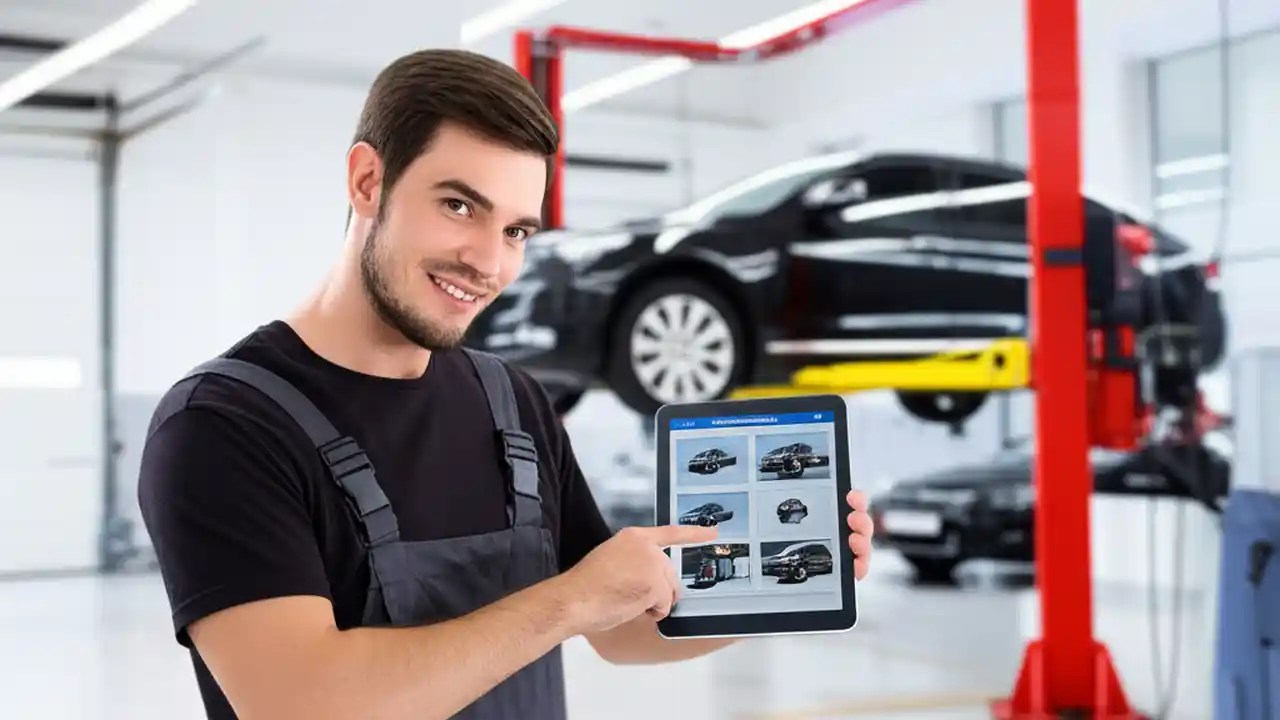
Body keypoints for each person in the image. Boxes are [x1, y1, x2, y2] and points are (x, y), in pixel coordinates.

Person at [137, 48, 875, 720]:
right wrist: (569, 600)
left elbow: (620, 633)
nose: (489, 262)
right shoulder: (223, 426)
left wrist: (782, 584)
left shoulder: (513, 403)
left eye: (518, 231)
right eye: (459, 206)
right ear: (368, 181)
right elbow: (302, 704)